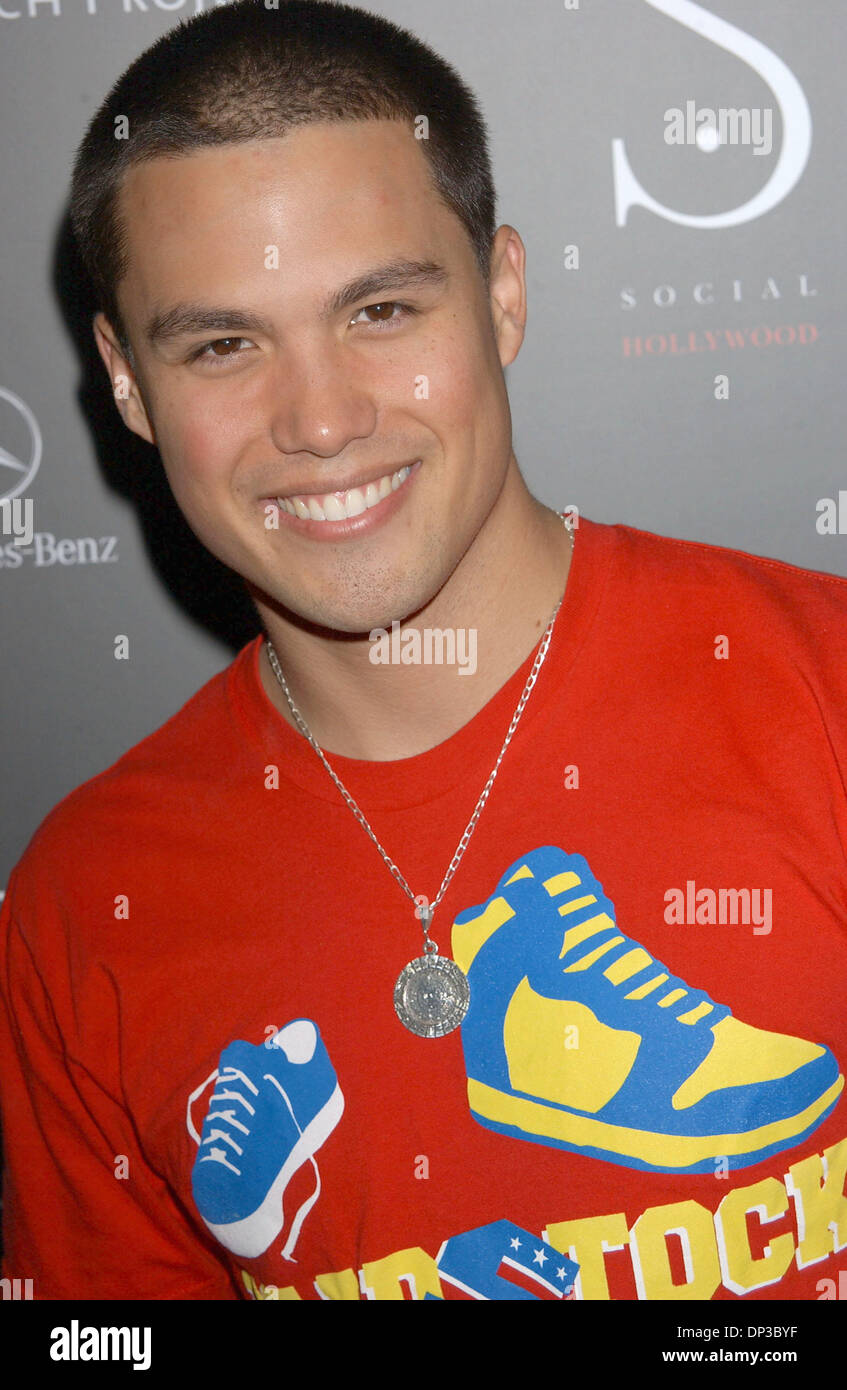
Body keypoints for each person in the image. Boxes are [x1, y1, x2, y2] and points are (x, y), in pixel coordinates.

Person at [0, 0, 845, 1303]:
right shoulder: (84, 901)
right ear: (124, 382)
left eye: (381, 310)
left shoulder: (823, 693)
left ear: (503, 292)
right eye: (223, 343)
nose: (324, 420)